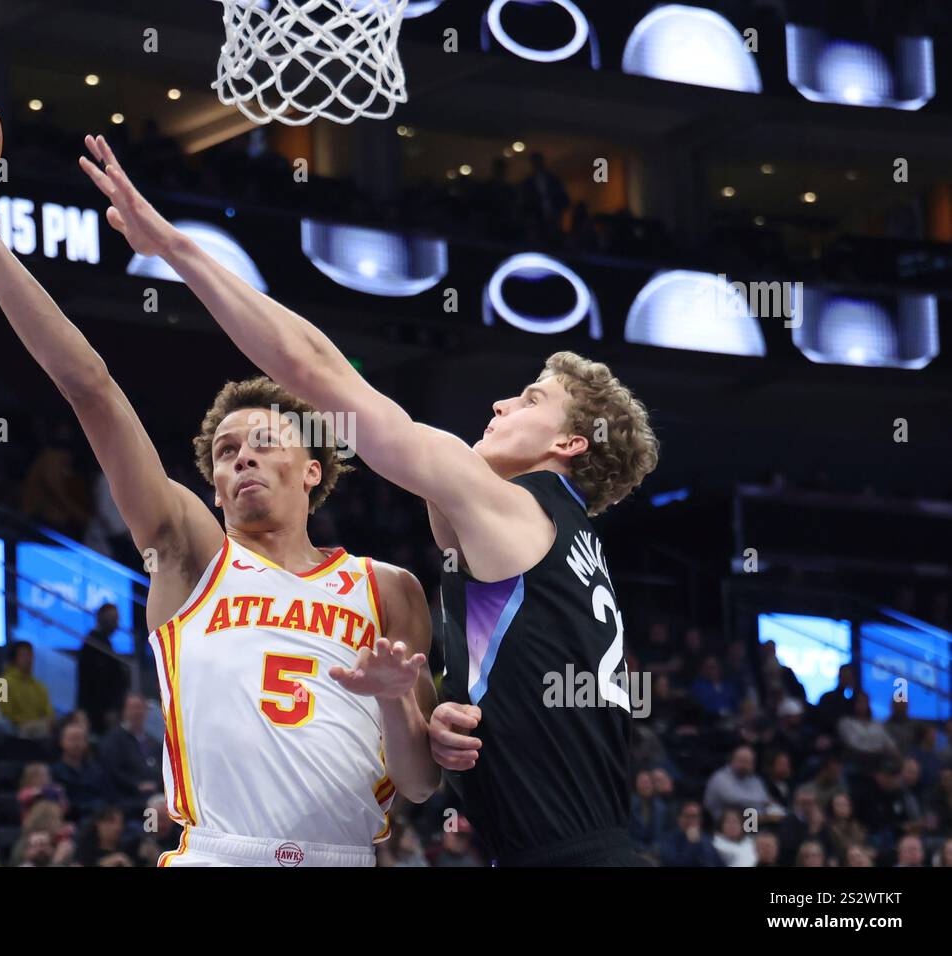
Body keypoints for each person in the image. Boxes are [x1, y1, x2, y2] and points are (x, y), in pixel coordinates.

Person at [75, 133, 657, 867]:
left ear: (570, 444)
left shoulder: (513, 506)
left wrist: (176, 249)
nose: (503, 402)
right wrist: (444, 718)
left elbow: (314, 368)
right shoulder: (557, 541)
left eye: (533, 398)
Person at [0, 132, 440, 867]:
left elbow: (420, 784)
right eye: (227, 453)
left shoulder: (389, 590)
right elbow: (91, 387)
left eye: (264, 441)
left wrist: (397, 697)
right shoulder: (193, 551)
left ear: (313, 470)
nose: (243, 459)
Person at [99, 693, 162, 808]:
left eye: (140, 708)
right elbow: (113, 772)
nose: (137, 712)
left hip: (156, 795)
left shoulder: (154, 741)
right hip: (128, 799)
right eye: (132, 708)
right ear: (124, 711)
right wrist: (136, 785)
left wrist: (157, 784)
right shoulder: (113, 740)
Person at [75, 603, 130, 731]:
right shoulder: (92, 644)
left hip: (108, 709)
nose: (116, 623)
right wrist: (108, 709)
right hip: (97, 712)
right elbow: (90, 682)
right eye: (113, 618)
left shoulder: (106, 643)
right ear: (102, 618)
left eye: (117, 619)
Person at [51, 720, 115, 820]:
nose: (76, 744)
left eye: (79, 739)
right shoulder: (54, 772)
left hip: (99, 820)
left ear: (86, 743)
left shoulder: (97, 771)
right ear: (61, 742)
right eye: (72, 739)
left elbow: (109, 798)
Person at [0, 641, 54, 738]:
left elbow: (49, 713)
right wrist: (28, 722)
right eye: (24, 655)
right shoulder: (1, 683)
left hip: (40, 729)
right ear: (14, 659)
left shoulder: (39, 686)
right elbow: (4, 714)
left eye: (30, 655)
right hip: (14, 731)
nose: (28, 659)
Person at [703, 745, 771, 824]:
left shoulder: (754, 779)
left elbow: (764, 797)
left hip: (749, 824)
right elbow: (732, 798)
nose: (744, 766)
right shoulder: (720, 777)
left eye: (748, 762)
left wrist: (761, 802)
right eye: (741, 761)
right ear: (732, 760)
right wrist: (760, 801)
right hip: (720, 824)